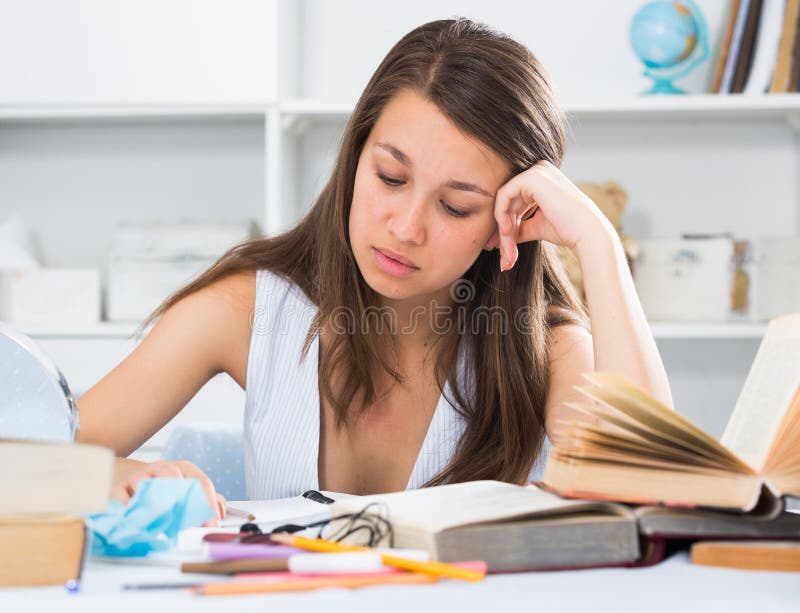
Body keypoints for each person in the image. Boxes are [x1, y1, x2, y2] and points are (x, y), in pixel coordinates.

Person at [76, 18, 672, 526]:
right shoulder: (246, 309)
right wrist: (106, 472)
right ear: (356, 156)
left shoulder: (545, 349)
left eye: (455, 205)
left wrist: (597, 241)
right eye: (390, 177)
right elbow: (22, 460)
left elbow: (647, 499)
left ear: (505, 219)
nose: (406, 226)